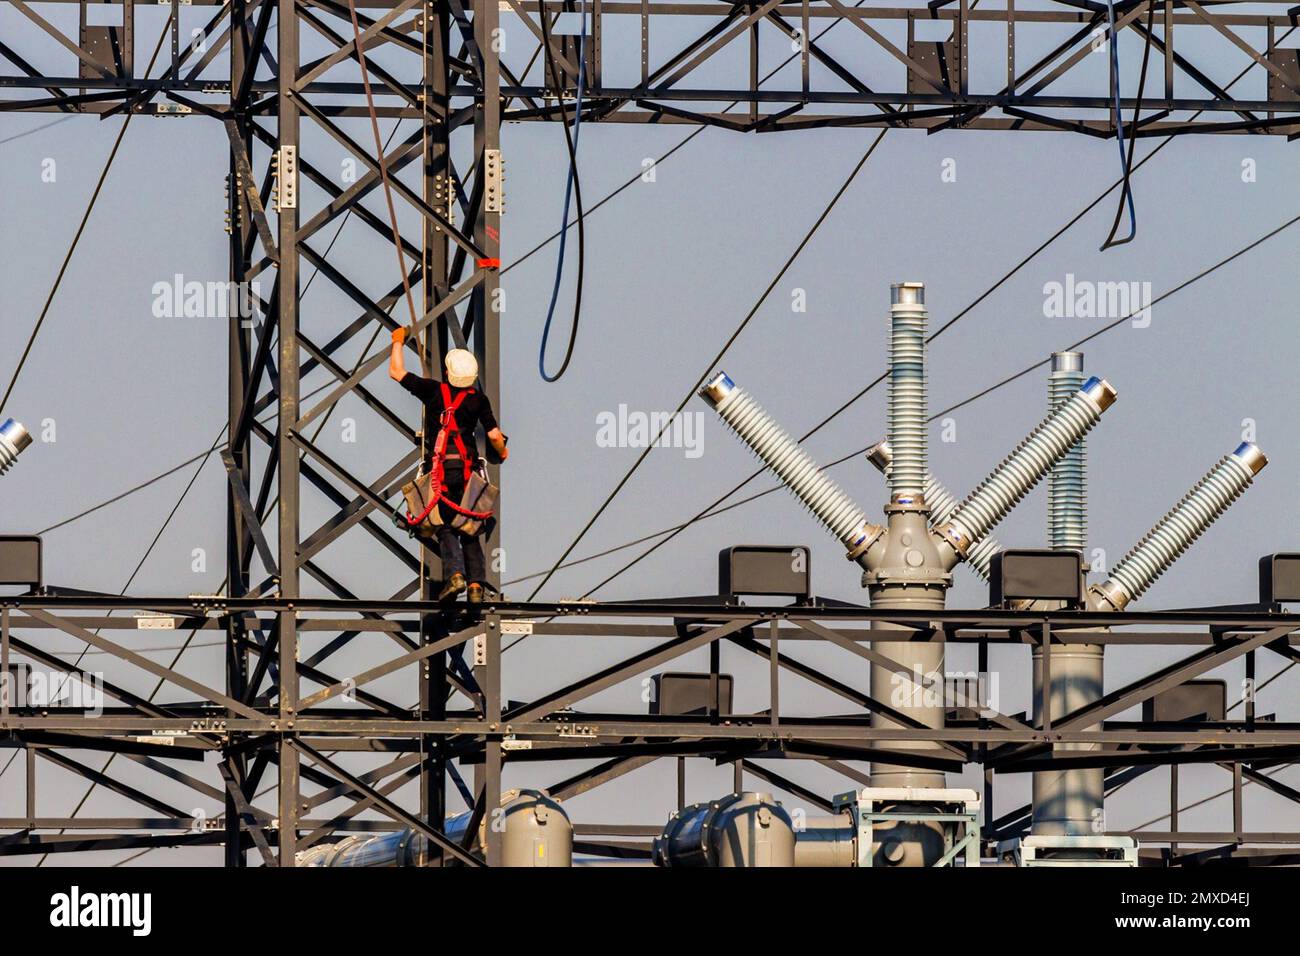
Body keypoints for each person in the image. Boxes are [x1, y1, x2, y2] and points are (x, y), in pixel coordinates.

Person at [389, 328, 508, 602]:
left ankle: (456, 575)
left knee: (443, 524)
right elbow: (493, 436)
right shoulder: (478, 400)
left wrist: (397, 341)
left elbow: (396, 371)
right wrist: (503, 452)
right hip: (468, 473)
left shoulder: (432, 391)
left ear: (447, 372)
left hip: (439, 473)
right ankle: (477, 585)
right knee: (470, 525)